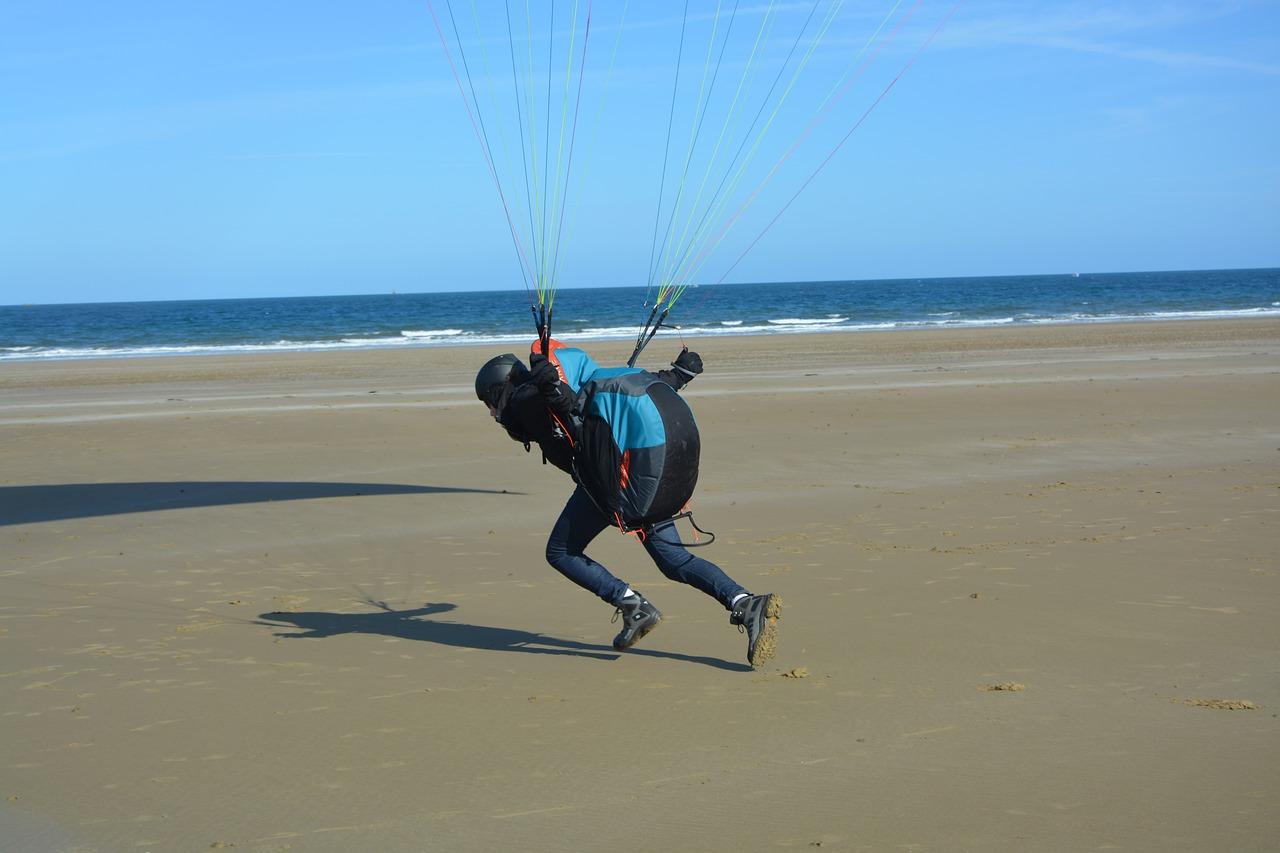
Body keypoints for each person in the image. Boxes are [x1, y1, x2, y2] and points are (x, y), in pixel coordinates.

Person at [475, 344, 781, 668]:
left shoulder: (526, 398)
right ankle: (745, 602)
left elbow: (557, 404)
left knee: (561, 552)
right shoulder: (587, 383)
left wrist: (546, 385)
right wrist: (680, 375)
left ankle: (632, 605)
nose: (492, 414)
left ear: (500, 390)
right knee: (673, 560)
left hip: (617, 480)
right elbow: (634, 387)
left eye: (489, 403)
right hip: (648, 470)